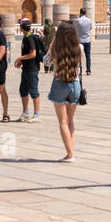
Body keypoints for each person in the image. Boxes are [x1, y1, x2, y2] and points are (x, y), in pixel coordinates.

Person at [45, 20, 82, 161]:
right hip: (75, 84)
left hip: (60, 83)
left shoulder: (56, 49)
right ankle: (70, 151)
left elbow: (46, 61)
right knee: (70, 121)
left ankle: (70, 154)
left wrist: (52, 45)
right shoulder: (79, 47)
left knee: (63, 122)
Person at [15, 17, 42, 122]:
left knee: (34, 91)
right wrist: (22, 61)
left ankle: (37, 114)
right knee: (23, 90)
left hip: (32, 69)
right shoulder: (26, 37)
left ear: (21, 27)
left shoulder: (29, 38)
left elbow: (33, 54)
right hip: (26, 68)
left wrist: (20, 58)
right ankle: (25, 113)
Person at [76, 8, 93, 75]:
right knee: (88, 56)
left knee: (79, 56)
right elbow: (90, 28)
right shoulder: (89, 20)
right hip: (87, 40)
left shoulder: (77, 21)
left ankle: (79, 69)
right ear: (85, 13)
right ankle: (88, 70)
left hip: (79, 40)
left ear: (80, 13)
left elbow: (75, 28)